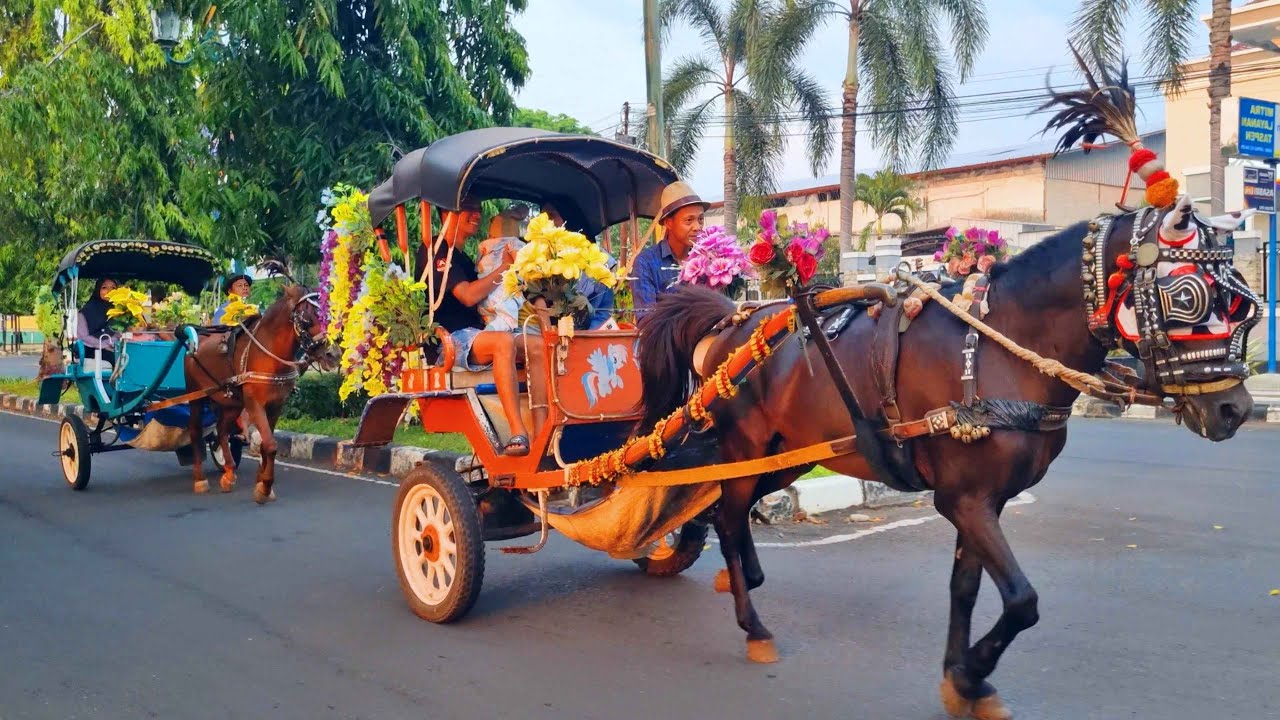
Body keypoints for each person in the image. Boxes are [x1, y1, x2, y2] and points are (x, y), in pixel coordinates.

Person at [417, 200, 530, 456]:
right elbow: (468, 296)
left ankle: (550, 423)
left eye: (477, 208)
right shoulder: (434, 250)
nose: (477, 213)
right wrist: (505, 267)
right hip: (448, 340)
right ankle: (517, 431)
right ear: (447, 213)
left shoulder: (467, 258)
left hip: (478, 336)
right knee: (503, 342)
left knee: (542, 343)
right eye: (468, 208)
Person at [631, 181, 709, 307]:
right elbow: (646, 318)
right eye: (689, 220)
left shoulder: (708, 258)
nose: (697, 227)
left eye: (700, 219)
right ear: (669, 223)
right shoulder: (646, 263)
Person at [541, 201, 617, 329]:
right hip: (548, 334)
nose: (546, 222)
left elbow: (602, 314)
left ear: (569, 218)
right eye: (542, 217)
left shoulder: (600, 260)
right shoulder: (538, 258)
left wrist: (584, 341)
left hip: (588, 337)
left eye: (551, 215)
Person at [76, 278, 121, 365]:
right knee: (117, 360)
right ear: (98, 290)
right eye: (104, 288)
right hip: (92, 350)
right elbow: (84, 337)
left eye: (113, 288)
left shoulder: (121, 310)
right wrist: (105, 345)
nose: (109, 291)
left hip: (117, 348)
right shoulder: (86, 312)